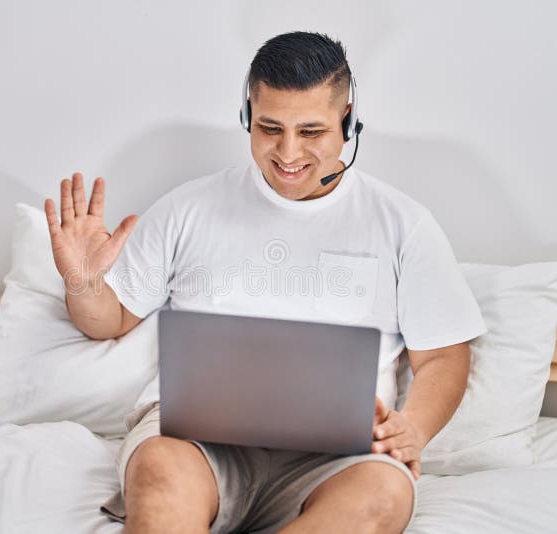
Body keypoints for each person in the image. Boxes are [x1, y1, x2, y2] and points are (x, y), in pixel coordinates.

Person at [44, 31, 486, 534]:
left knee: (383, 497)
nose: (288, 153)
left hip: (342, 457)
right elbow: (110, 320)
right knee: (159, 473)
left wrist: (415, 429)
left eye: (312, 132)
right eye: (269, 127)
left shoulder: (403, 223)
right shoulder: (189, 208)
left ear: (348, 121)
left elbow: (444, 356)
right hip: (196, 442)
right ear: (246, 115)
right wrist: (83, 284)